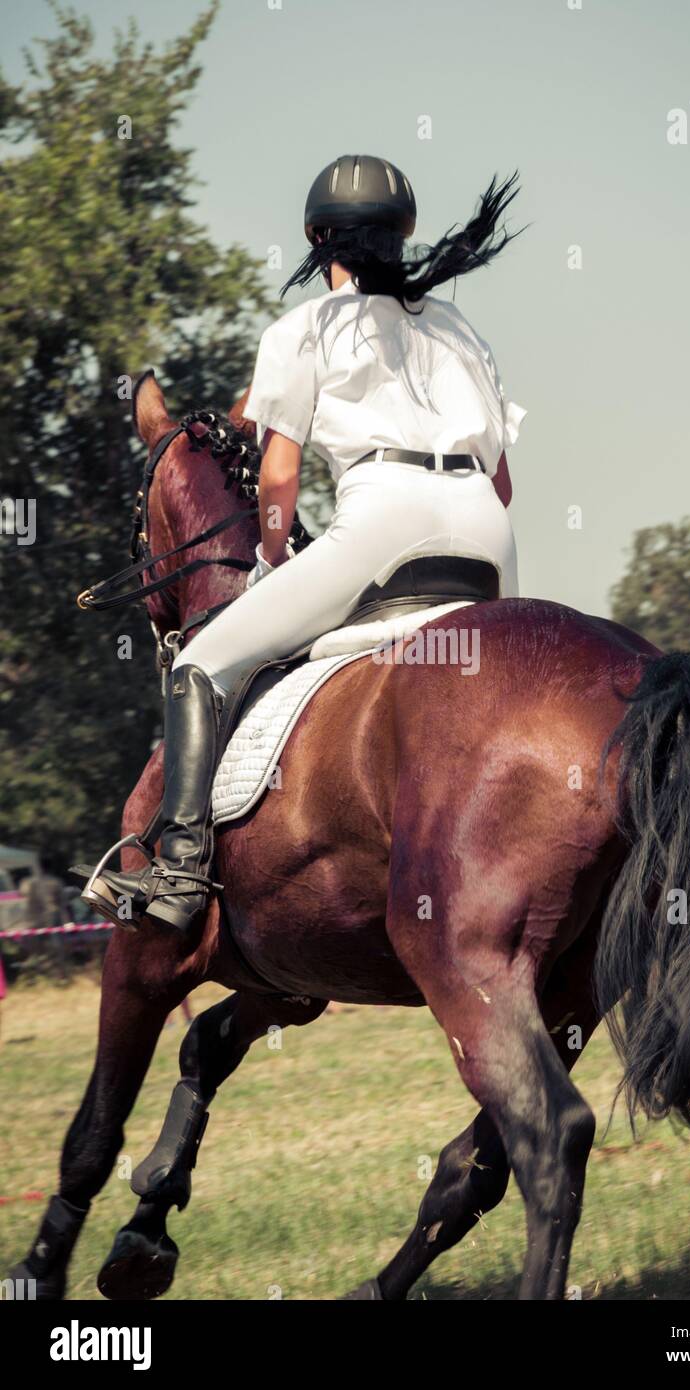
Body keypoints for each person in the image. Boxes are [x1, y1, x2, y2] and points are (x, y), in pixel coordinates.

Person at [73, 155, 526, 935]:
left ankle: (179, 868)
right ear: (399, 237)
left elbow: (277, 478)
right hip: (488, 535)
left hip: (383, 520)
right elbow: (506, 482)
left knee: (199, 662)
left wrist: (273, 559)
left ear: (321, 241)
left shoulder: (302, 329)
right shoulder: (458, 328)